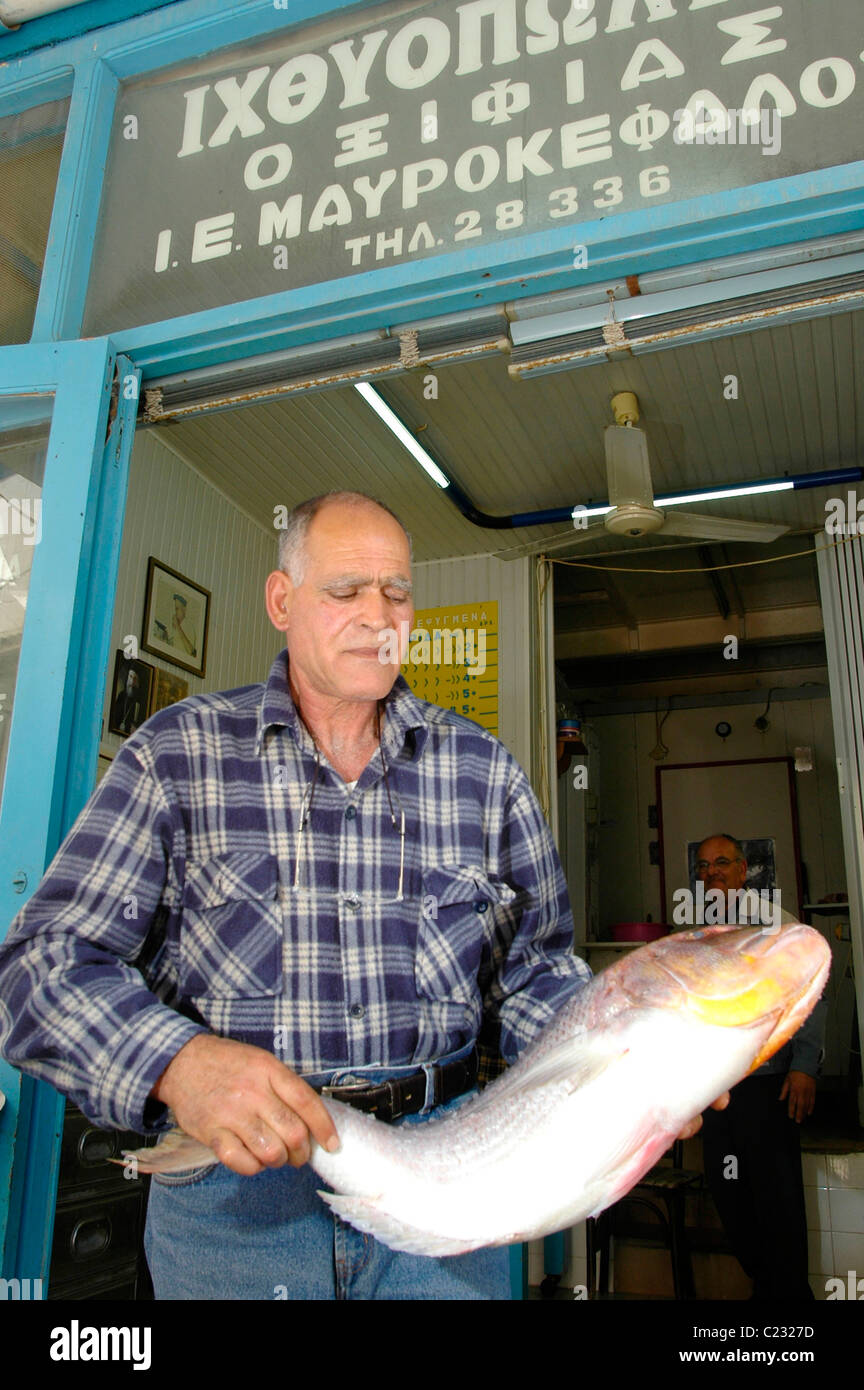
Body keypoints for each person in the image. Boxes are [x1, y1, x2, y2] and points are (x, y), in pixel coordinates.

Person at [0, 490, 599, 1301]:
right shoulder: (177, 757)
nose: (376, 615)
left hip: (445, 1185)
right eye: (346, 591)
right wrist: (178, 1064)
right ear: (283, 602)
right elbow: (41, 966)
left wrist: (619, 1061)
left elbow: (534, 973)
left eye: (395, 592)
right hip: (235, 1202)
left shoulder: (483, 771)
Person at [693, 834, 826, 1301]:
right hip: (718, 1091)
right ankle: (768, 1291)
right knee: (730, 1195)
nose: (712, 873)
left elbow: (811, 988)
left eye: (722, 863)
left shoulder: (772, 923)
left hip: (767, 1089)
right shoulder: (696, 930)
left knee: (778, 1201)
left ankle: (789, 1305)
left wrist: (804, 1066)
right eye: (704, 866)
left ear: (744, 869)